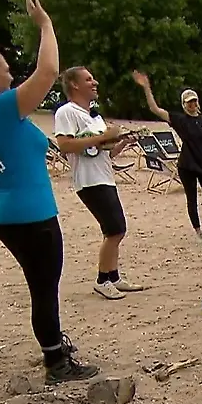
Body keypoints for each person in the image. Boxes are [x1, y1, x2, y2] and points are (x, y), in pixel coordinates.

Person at [0, 0, 97, 384]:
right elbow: (48, 71)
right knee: (44, 289)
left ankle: (53, 345)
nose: (11, 75)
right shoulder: (0, 110)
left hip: (1, 213)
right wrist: (45, 24)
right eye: (6, 69)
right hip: (31, 216)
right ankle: (55, 362)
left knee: (39, 283)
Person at [53, 67, 144, 300]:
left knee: (114, 230)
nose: (95, 83)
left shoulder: (94, 116)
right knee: (115, 229)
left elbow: (106, 153)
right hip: (89, 181)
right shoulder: (66, 112)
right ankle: (103, 280)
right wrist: (104, 136)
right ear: (74, 85)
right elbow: (64, 145)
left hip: (104, 177)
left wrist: (123, 142)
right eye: (88, 79)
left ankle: (114, 277)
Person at [132, 71, 202, 244]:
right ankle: (199, 232)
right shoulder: (180, 120)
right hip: (187, 166)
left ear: (198, 102)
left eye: (194, 101)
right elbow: (155, 109)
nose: (192, 104)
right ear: (183, 104)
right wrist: (146, 88)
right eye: (189, 102)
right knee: (192, 199)